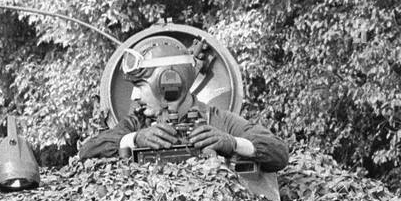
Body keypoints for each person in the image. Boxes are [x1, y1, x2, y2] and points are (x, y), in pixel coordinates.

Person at [79, 37, 289, 172]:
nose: (134, 96)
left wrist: (232, 143)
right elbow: (87, 151)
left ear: (167, 82)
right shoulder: (138, 123)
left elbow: (278, 152)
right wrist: (133, 139)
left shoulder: (216, 119)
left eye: (140, 85)